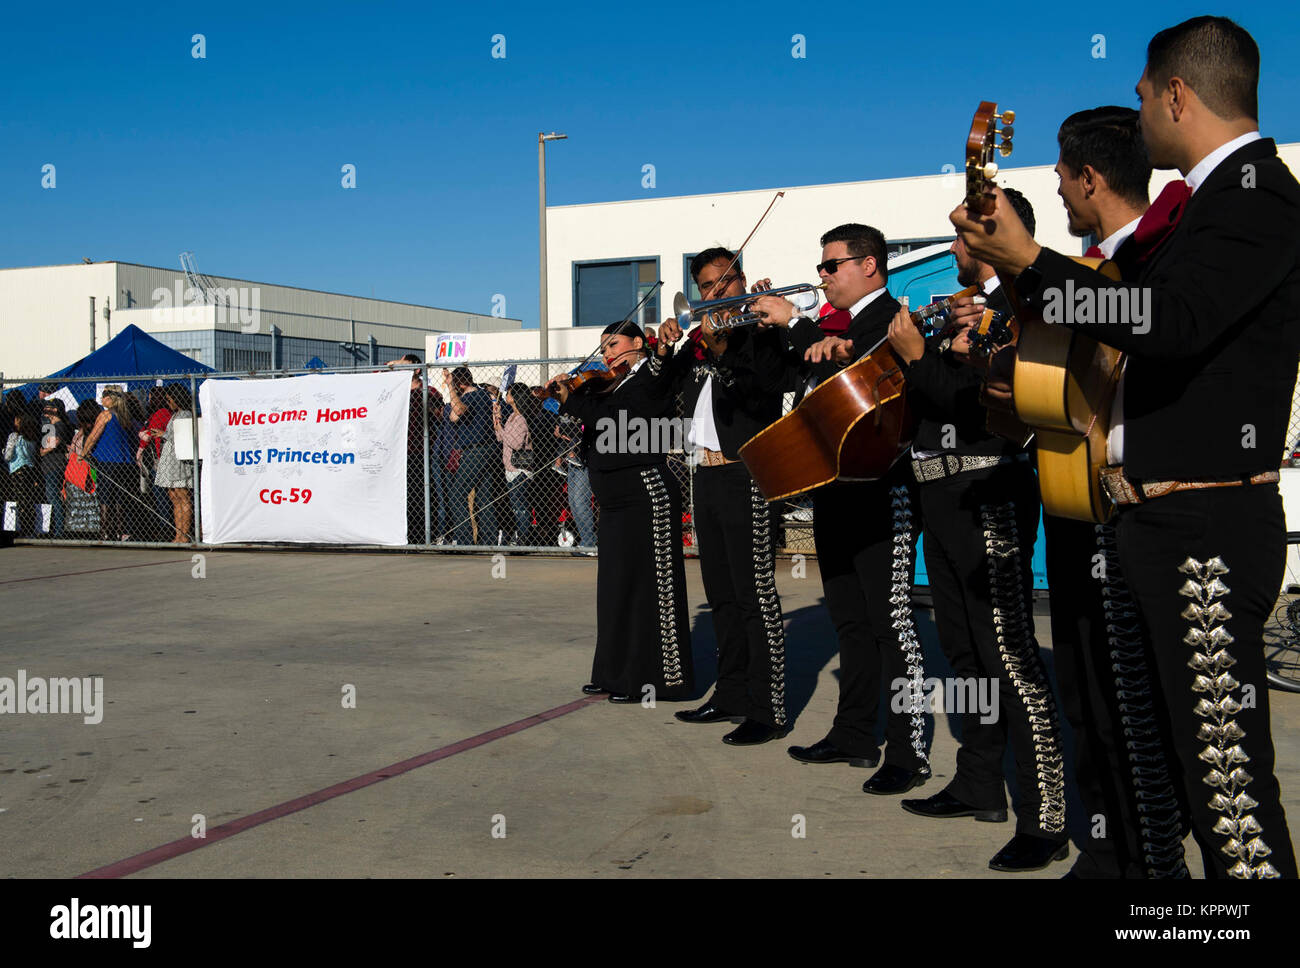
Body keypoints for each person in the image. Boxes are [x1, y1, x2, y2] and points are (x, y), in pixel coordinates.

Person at [949, 15, 1298, 879]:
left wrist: (1028, 260)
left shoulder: (1254, 197)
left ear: (1177, 93)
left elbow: (1168, 326)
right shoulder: (1205, 210)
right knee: (1154, 773)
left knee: (1229, 799)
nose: (1138, 112)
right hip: (1156, 523)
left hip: (1205, 525)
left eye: (1143, 94)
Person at [746, 224, 933, 794]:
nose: (822, 275)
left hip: (884, 490)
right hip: (837, 488)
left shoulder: (889, 320)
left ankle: (909, 750)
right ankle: (853, 731)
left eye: (832, 266)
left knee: (891, 623)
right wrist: (764, 331)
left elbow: (864, 378)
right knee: (850, 619)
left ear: (869, 266)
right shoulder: (836, 327)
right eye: (822, 266)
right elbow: (787, 378)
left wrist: (800, 324)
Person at [655, 247, 790, 747]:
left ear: (742, 281)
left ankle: (769, 707)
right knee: (722, 595)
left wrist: (724, 347)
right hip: (704, 473)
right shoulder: (697, 340)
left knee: (756, 593)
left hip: (747, 471)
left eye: (723, 283)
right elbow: (662, 391)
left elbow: (762, 391)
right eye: (705, 287)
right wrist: (667, 346)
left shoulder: (762, 334)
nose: (714, 295)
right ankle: (730, 693)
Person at [551, 321, 695, 703]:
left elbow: (615, 419)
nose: (607, 354)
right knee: (614, 587)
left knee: (648, 589)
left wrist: (573, 399)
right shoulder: (611, 383)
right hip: (614, 500)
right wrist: (563, 396)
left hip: (645, 494)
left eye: (614, 344)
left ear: (638, 342)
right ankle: (613, 673)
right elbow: (589, 417)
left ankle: (653, 680)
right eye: (603, 348)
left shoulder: (650, 375)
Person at [443, 366, 503, 546]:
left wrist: (450, 387)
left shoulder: (473, 396)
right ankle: (489, 540)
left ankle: (465, 540)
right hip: (485, 450)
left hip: (476, 451)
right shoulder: (481, 395)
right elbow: (454, 416)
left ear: (459, 384)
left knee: (456, 495)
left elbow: (458, 411)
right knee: (483, 497)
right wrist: (455, 395)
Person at [80, 388, 138, 541]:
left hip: (108, 461)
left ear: (112, 398)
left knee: (105, 496)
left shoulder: (105, 415)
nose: (102, 398)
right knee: (119, 497)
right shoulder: (125, 416)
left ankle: (105, 531)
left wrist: (84, 453)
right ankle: (119, 531)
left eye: (105, 396)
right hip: (125, 461)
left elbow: (93, 436)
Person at [492, 382, 534, 544]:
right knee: (515, 507)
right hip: (510, 468)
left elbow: (516, 443)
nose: (506, 396)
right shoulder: (512, 416)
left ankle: (523, 539)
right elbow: (500, 437)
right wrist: (498, 420)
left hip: (520, 470)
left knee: (520, 508)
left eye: (509, 393)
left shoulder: (521, 419)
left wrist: (502, 430)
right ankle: (518, 537)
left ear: (516, 397)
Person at [154, 386, 195, 543]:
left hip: (179, 460)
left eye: (170, 399)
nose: (168, 402)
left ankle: (184, 534)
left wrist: (163, 434)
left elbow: (182, 435)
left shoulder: (185, 414)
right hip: (171, 458)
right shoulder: (175, 414)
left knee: (182, 495)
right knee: (174, 495)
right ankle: (178, 534)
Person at [138, 387, 174, 541]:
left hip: (159, 459)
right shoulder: (162, 413)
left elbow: (149, 434)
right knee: (161, 495)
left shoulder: (161, 413)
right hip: (159, 458)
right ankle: (165, 526)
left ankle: (165, 527)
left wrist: (141, 444)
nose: (148, 399)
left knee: (161, 495)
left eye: (150, 396)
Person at [39, 398, 73, 537]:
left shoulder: (59, 425)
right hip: (49, 466)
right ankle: (53, 528)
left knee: (53, 497)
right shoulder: (50, 425)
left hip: (54, 465)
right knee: (50, 496)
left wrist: (43, 451)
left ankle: (59, 531)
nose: (45, 410)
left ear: (55, 410)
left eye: (49, 407)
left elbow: (55, 443)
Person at [4, 414, 42, 536]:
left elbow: (8, 455)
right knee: (29, 499)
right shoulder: (31, 438)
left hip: (18, 470)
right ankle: (30, 528)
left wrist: (4, 452)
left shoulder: (14, 436)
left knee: (21, 501)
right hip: (30, 470)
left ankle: (22, 529)